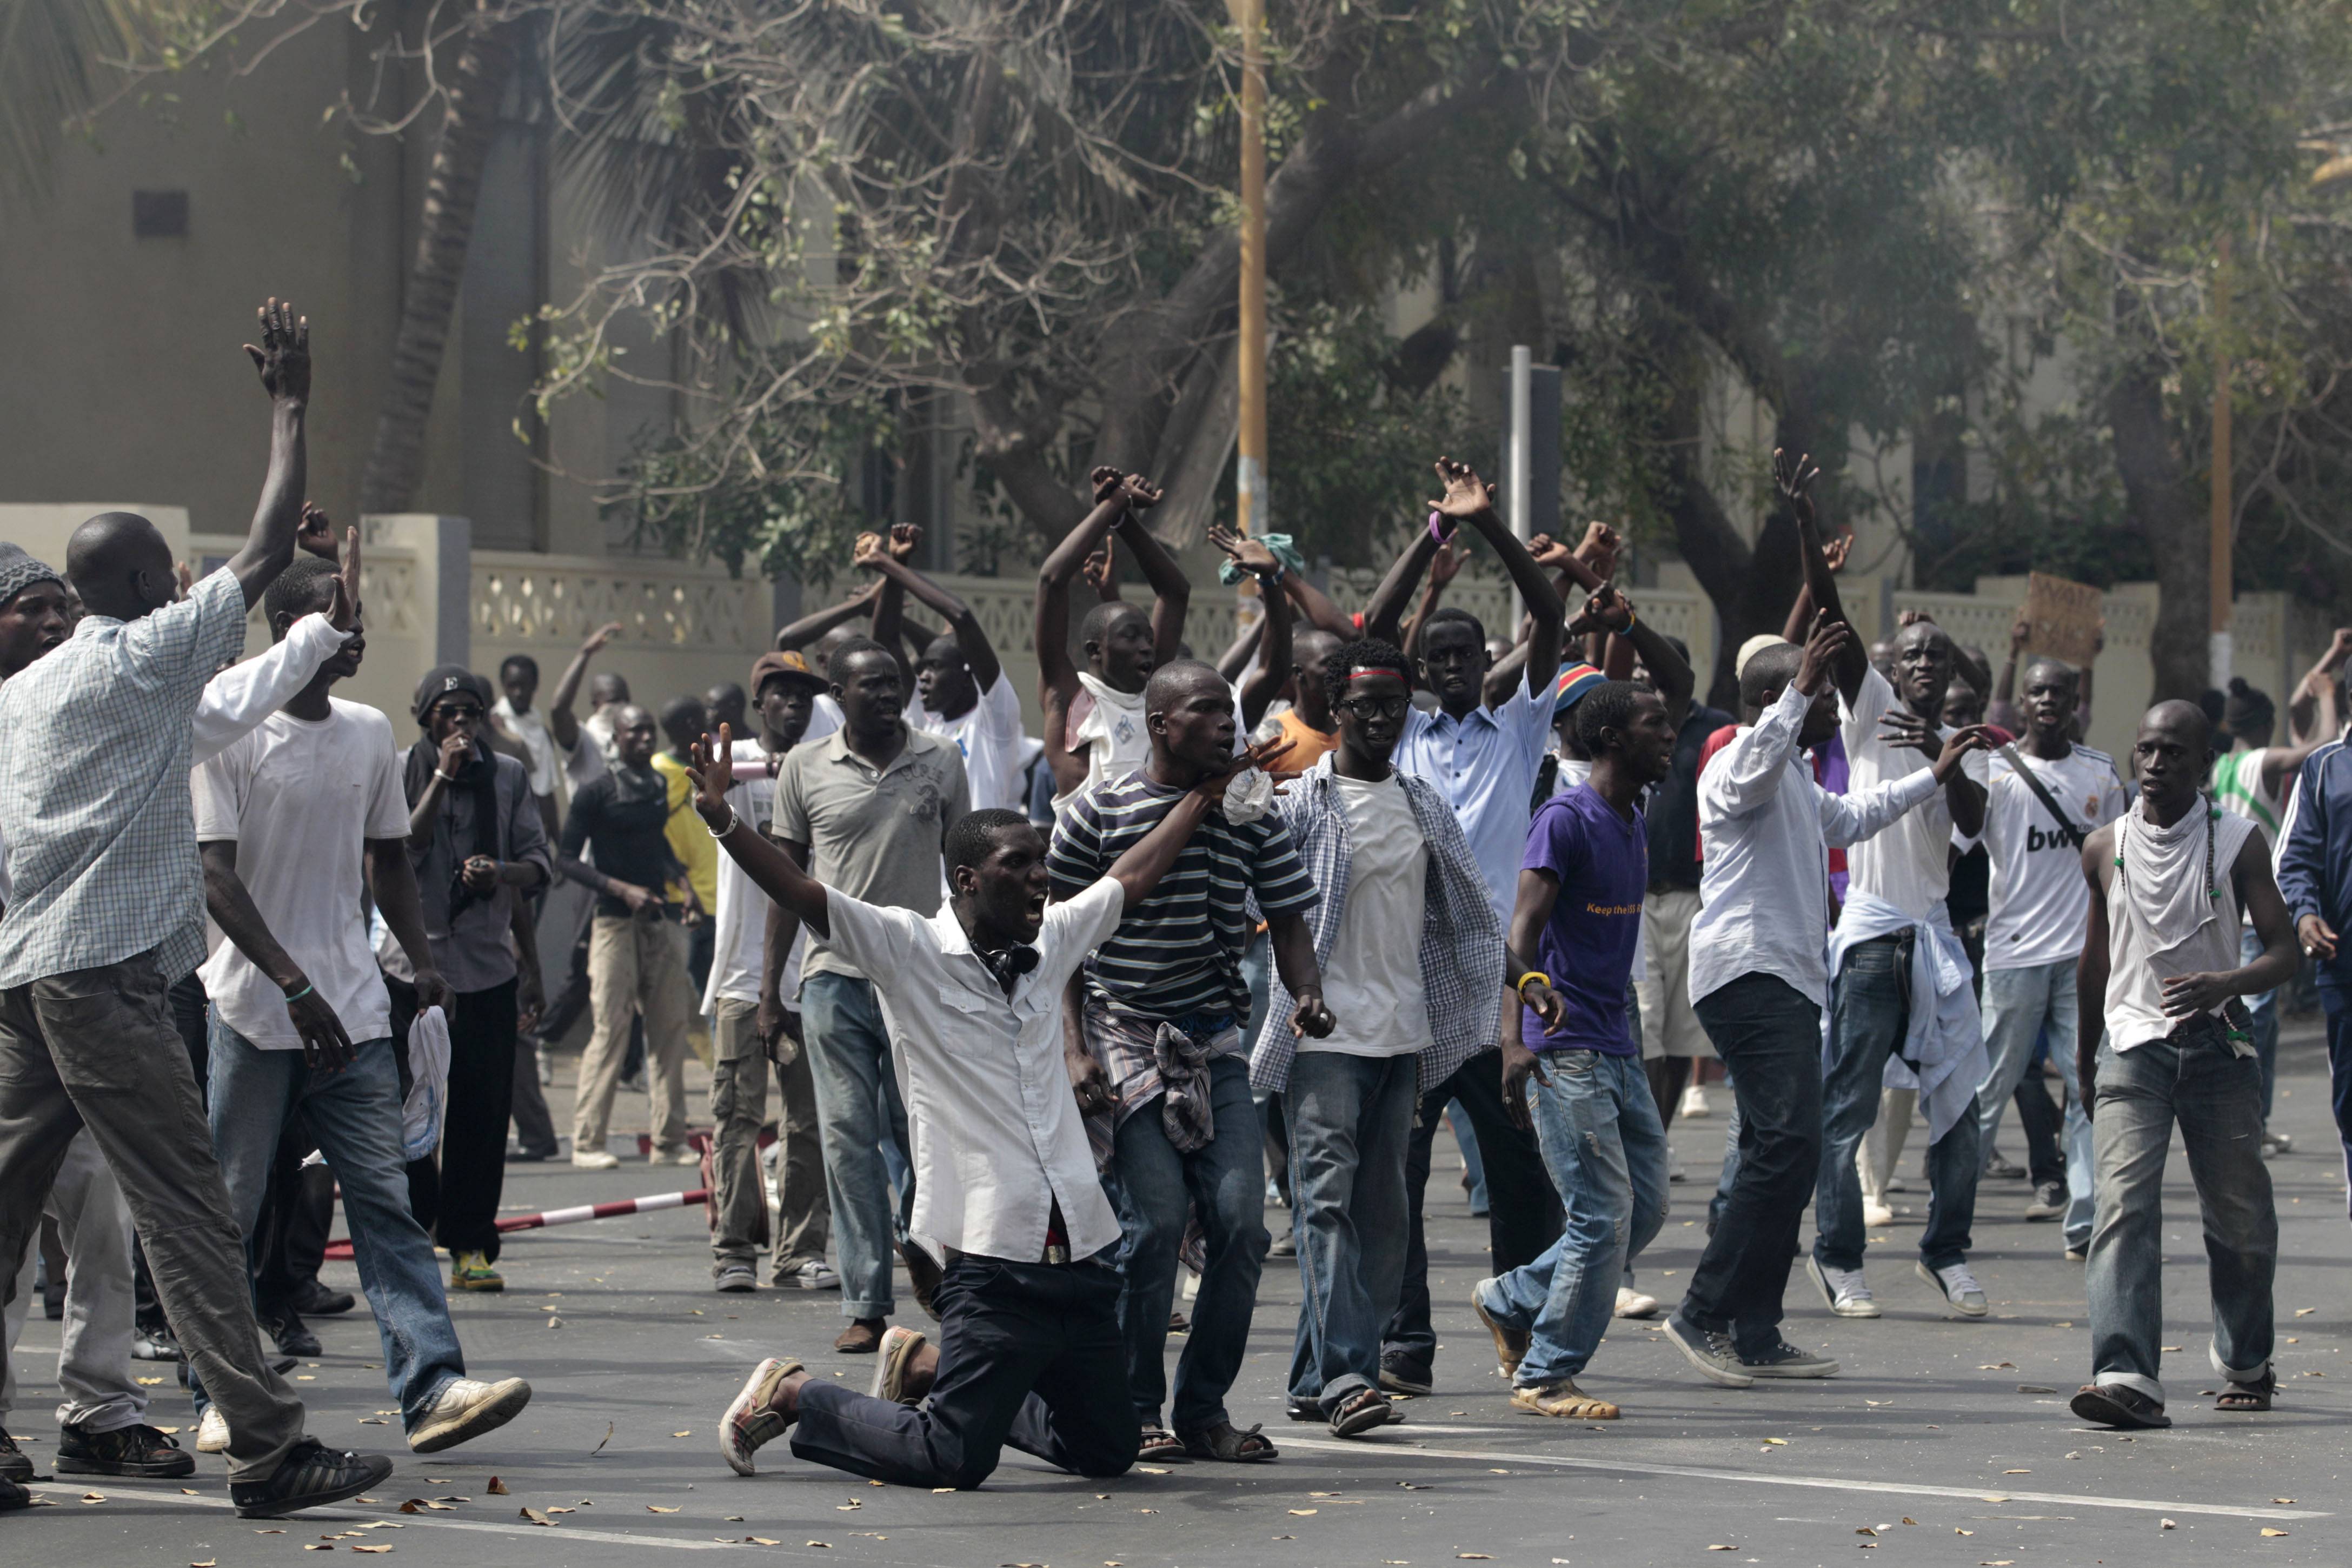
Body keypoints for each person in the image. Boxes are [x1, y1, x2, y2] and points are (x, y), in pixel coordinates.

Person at [0, 299, 396, 1517]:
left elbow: (229, 707)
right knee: (182, 1203)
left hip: (26, 978)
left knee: (8, 1202)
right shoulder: (130, 658)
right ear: (134, 584)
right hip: (108, 978)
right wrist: (290, 406)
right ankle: (272, 1447)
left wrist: (322, 632)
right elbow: (268, 547)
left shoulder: (39, 692)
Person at [703, 739, 1264, 1490]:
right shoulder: (907, 950)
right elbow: (805, 896)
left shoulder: (1055, 938)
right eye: (1020, 865)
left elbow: (1128, 877)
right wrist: (722, 822)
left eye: (1042, 862)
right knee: (952, 1457)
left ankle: (927, 1368)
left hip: (1083, 1257)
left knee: (1108, 1451)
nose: (1041, 877)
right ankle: (797, 1393)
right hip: (992, 1260)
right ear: (966, 879)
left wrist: (1201, 798)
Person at [190, 556, 533, 1457]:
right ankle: (221, 1393)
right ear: (297, 635)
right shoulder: (227, 733)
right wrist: (291, 983)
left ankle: (433, 1388)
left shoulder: (369, 732)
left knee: (383, 1200)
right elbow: (214, 877)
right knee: (234, 1202)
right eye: (343, 620)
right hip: (253, 1013)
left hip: (354, 1016)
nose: (360, 636)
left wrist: (420, 967)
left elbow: (388, 861)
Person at [1662, 620, 1985, 1387]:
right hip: (1748, 973)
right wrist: (1801, 685)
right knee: (1783, 1145)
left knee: (1792, 1150)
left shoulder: (1800, 779)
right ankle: (1703, 1314)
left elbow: (1853, 817)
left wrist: (1933, 776)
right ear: (1782, 696)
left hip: (1788, 979)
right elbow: (1748, 776)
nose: (1829, 714)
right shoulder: (1737, 761)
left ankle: (1756, 1328)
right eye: (1814, 696)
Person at [1049, 660, 1326, 1464]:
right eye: (1206, 711)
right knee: (1157, 1222)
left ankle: (1202, 1407)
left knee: (1241, 1224)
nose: (1225, 727)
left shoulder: (1253, 816)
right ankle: (1138, 1407)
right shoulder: (1096, 811)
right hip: (1124, 1035)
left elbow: (1288, 920)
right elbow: (1061, 939)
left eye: (1229, 713)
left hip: (1213, 1042)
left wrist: (1305, 991)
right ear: (1161, 724)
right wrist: (1072, 1047)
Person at [1248, 637, 1500, 1438]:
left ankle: (1307, 1376)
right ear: (1337, 710)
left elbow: (1471, 916)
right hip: (1320, 1033)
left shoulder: (1423, 805)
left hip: (1404, 1037)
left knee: (1385, 1217)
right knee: (1324, 1206)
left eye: (1396, 706)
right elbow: (1256, 890)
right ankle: (1352, 1375)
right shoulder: (1296, 805)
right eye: (1367, 707)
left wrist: (1510, 987)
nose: (1384, 720)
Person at [1359, 459, 1568, 1396]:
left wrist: (1488, 529)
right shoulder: (1398, 734)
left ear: (1488, 663)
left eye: (1464, 657)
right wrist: (1432, 536)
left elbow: (1551, 621)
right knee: (1397, 1173)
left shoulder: (1518, 729)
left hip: (1489, 979)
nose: (1448, 670)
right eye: (1434, 659)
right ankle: (1407, 1344)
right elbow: (1369, 633)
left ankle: (1519, 1317)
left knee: (1519, 1167)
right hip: (1406, 977)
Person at [1775, 454, 1995, 1323]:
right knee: (1849, 1106)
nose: (1925, 666)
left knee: (1959, 1109)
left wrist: (1946, 752)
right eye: (1913, 656)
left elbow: (1973, 825)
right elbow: (1828, 616)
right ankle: (1837, 1258)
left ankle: (1946, 1253)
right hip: (1870, 937)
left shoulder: (1959, 738)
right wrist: (1804, 526)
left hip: (1935, 938)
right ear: (1889, 668)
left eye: (1938, 658)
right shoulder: (1864, 709)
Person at [2070, 702, 2294, 1430]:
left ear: (2203, 764)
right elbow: (2093, 959)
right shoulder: (2103, 846)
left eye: (2171, 753)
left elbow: (2282, 952)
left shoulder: (2237, 842)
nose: (2154, 764)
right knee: (2121, 1211)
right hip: (2129, 1053)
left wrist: (2225, 983)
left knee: (2239, 1222)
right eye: (2144, 751)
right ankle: (2125, 1373)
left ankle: (2245, 1359)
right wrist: (2081, 1057)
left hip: (2218, 1052)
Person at [1477, 676, 1678, 1420]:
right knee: (1600, 1214)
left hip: (1614, 1038)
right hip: (1563, 1047)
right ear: (1611, 739)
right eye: (1655, 723)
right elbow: (1518, 936)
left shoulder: (1633, 817)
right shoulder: (1564, 819)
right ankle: (1544, 1373)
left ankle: (1510, 1296)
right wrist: (1513, 1038)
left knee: (1645, 1208)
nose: (1669, 734)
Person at [771, 637, 971, 1352]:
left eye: (895, 683)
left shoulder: (940, 760)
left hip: (917, 975)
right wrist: (771, 990)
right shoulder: (804, 767)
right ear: (838, 693)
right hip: (831, 977)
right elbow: (784, 881)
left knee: (922, 1132)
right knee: (848, 1135)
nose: (888, 695)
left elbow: (965, 871)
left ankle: (926, 1249)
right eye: (872, 686)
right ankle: (865, 1300)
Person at [378, 668, 552, 1288]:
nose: (461, 725)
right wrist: (443, 776)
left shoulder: (506, 775)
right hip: (411, 968)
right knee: (407, 1105)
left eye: (471, 713)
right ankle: (419, 1222)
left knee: (481, 1111)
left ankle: (471, 1244)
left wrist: (500, 873)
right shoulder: (400, 769)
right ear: (425, 717)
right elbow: (399, 848)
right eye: (448, 712)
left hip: (485, 968)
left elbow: (538, 865)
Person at [1968, 657, 2125, 1251]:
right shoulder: (1996, 773)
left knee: (2089, 1083)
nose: (2048, 701)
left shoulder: (2101, 773)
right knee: (1989, 1083)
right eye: (2037, 692)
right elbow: (1962, 836)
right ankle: (1952, 1207)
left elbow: (2119, 863)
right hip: (2012, 956)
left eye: (2059, 691)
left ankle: (2084, 1220)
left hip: (2081, 958)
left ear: (2076, 698)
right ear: (2023, 703)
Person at [705, 652, 839, 1294]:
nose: (794, 706)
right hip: (739, 978)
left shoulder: (823, 770)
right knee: (737, 1116)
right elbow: (711, 800)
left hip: (811, 975)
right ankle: (733, 1247)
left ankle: (801, 1250)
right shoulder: (738, 769)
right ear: (760, 704)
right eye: (782, 695)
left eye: (804, 697)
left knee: (810, 1120)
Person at [560, 703, 701, 1170]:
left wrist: (681, 884)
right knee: (612, 1027)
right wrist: (620, 889)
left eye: (648, 731)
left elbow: (655, 841)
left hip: (657, 919)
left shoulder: (659, 784)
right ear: (617, 739)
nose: (644, 739)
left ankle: (669, 1140)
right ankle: (587, 1142)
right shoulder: (596, 792)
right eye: (634, 732)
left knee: (670, 1027)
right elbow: (566, 860)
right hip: (614, 922)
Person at [2209, 665, 2339, 1151]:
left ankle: (2251, 1121)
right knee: (2256, 1019)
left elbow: (2295, 712)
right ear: (2263, 727)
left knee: (2252, 1016)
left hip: (2226, 906)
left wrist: (2328, 661)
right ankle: (2249, 1123)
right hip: (2253, 911)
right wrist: (2330, 698)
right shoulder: (2260, 761)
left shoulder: (2220, 765)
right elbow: (2322, 746)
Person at [1034, 470, 1191, 803]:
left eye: (1149, 638)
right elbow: (1051, 581)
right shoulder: (1069, 697)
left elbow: (1176, 592)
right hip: (1090, 856)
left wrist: (1125, 519)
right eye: (1131, 638)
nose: (1146, 647)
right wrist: (1114, 503)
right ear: (1095, 650)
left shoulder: (1155, 695)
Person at [863, 530, 1028, 812]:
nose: (923, 677)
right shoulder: (926, 723)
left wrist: (885, 564)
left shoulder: (993, 721)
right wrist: (897, 563)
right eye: (923, 668)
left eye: (935, 668)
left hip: (979, 854)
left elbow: (961, 618)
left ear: (967, 676)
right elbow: (887, 642)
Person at [655, 694, 723, 999]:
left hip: (715, 898)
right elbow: (651, 835)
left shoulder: (712, 767)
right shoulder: (658, 770)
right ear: (690, 725)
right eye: (702, 719)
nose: (708, 725)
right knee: (669, 995)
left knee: (711, 996)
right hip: (677, 901)